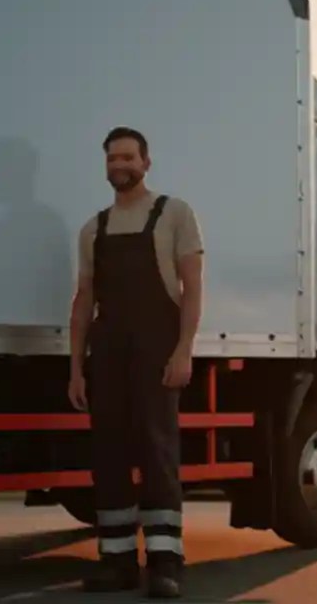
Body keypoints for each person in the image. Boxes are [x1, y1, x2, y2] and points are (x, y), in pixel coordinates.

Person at [67, 126, 204, 598]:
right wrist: (75, 367)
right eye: (111, 159)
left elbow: (191, 289)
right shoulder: (94, 228)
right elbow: (83, 300)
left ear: (146, 162)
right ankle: (117, 561)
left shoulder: (175, 214)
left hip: (157, 349)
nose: (119, 165)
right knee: (108, 455)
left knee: (156, 450)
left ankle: (167, 563)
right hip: (107, 352)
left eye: (128, 157)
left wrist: (184, 349)